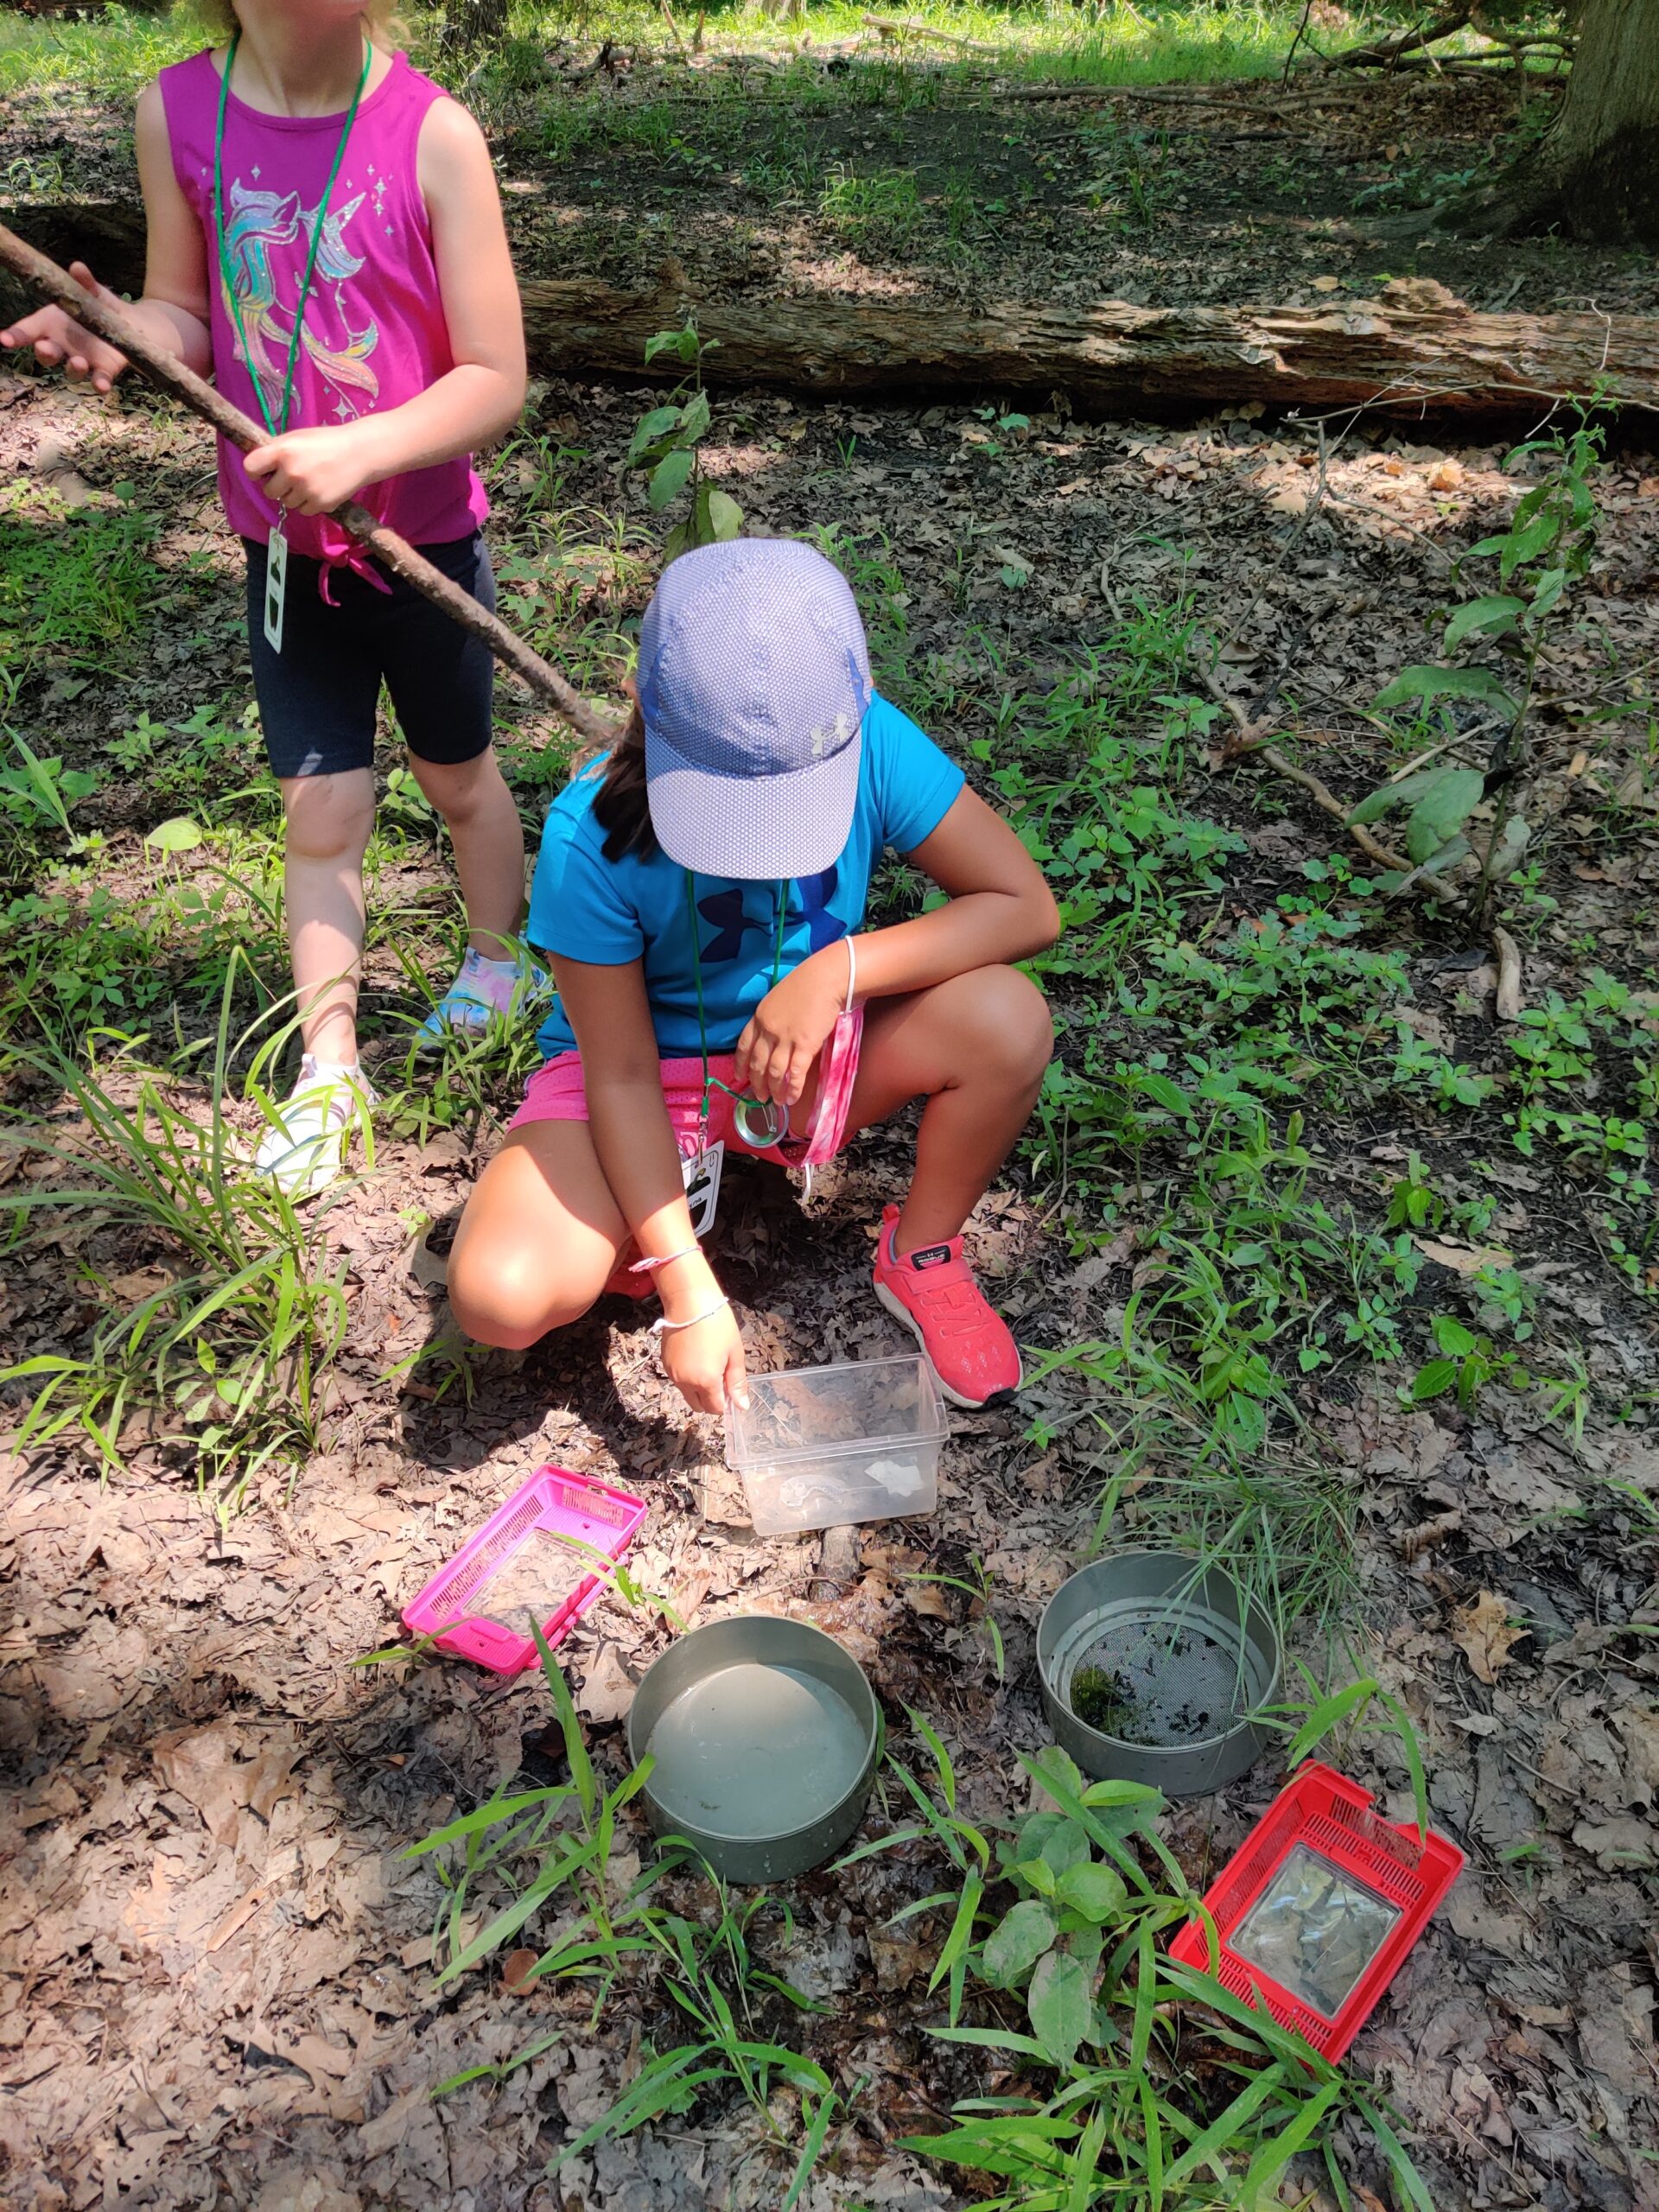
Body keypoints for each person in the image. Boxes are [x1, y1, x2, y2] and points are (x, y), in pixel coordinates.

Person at [2, 0, 532, 1193]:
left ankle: (499, 964)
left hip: (426, 541)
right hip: (286, 554)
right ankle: (329, 1067)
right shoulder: (175, 111)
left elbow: (496, 373)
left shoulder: (434, 133)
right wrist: (126, 330)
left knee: (460, 779)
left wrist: (368, 450)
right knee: (321, 811)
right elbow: (185, 309)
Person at [447, 537, 1061, 1417]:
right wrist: (686, 1289)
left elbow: (1023, 905)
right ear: (639, 706)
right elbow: (617, 1074)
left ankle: (921, 1252)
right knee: (500, 1298)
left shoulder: (872, 742)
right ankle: (647, 1221)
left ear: (860, 705)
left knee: (1005, 1017)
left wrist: (840, 970)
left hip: (804, 1064)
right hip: (641, 1080)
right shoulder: (589, 839)